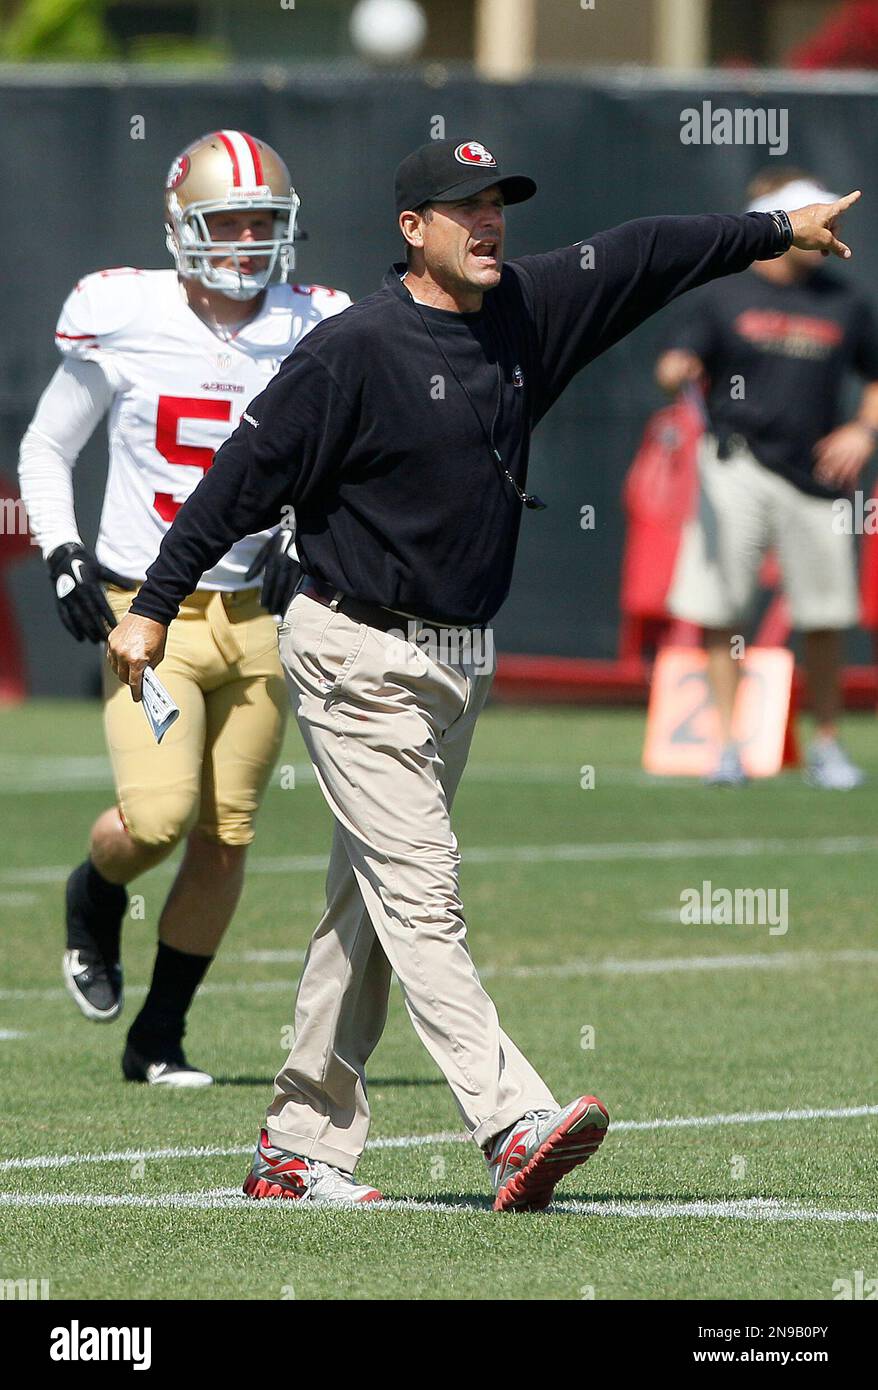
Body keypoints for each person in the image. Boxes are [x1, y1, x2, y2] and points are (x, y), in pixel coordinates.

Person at [107, 137, 858, 1207]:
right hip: (351, 647)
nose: (488, 220)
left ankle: (296, 1143)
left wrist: (775, 232)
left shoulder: (522, 309)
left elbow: (642, 250)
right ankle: (511, 1122)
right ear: (413, 229)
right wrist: (151, 604)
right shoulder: (350, 348)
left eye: (497, 202)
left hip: (459, 658)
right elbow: (238, 478)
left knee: (364, 906)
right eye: (463, 207)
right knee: (421, 892)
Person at [18, 130, 350, 1086]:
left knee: (227, 832)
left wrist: (299, 532)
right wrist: (65, 556)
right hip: (146, 610)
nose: (248, 241)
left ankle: (158, 1037)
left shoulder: (311, 322)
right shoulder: (122, 313)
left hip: (255, 613)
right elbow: (46, 448)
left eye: (264, 223)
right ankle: (93, 893)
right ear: (182, 227)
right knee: (157, 819)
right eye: (228, 221)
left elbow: (339, 452)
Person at [657, 168, 878, 787]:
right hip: (739, 465)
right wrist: (677, 368)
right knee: (721, 607)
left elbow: (876, 377)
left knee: (827, 614)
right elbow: (678, 362)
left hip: (817, 477)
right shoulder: (725, 294)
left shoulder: (846, 300)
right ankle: (726, 745)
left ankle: (827, 745)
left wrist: (863, 429)